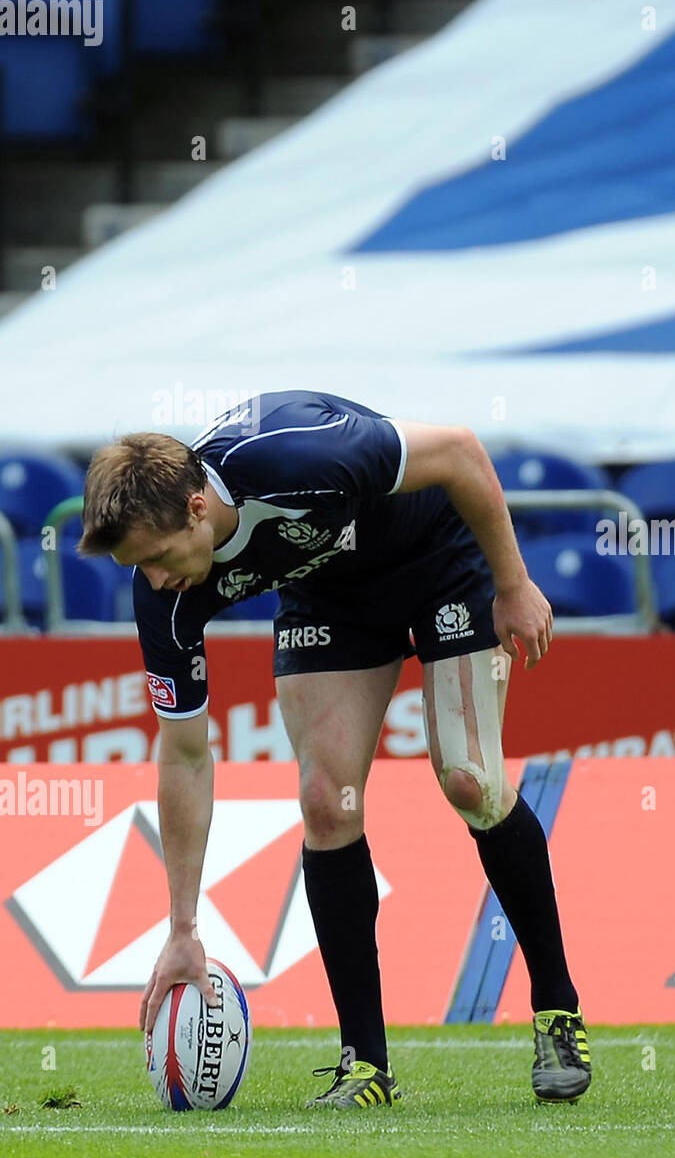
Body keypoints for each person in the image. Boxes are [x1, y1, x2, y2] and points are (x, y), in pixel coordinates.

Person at [77, 390, 591, 1107]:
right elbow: (186, 756)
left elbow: (460, 450)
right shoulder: (159, 595)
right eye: (142, 567)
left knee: (470, 778)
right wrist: (184, 927)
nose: (157, 579)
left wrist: (512, 583)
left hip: (438, 554)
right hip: (330, 600)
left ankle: (557, 1011)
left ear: (198, 508)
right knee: (326, 802)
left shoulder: (298, 457)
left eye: (161, 558)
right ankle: (366, 1066)